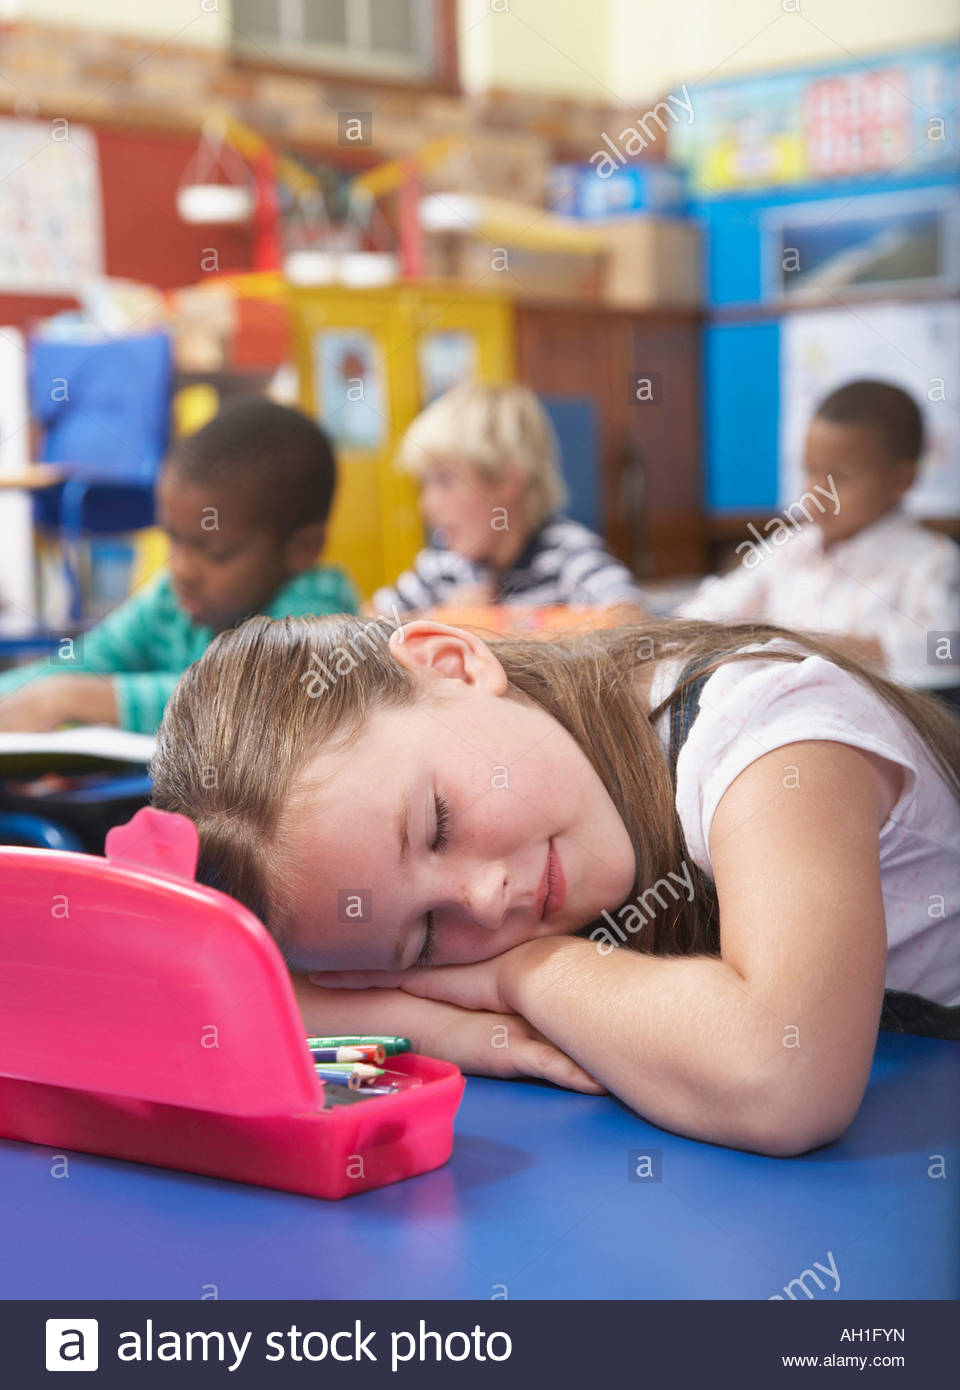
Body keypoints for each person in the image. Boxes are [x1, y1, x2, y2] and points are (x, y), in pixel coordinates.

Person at [151, 610, 960, 1157]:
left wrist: (518, 974)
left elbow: (785, 1076)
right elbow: (246, 994)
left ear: (453, 665)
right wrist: (456, 1030)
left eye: (438, 823)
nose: (482, 899)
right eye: (424, 938)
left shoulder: (768, 734)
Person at [0, 399, 358, 733]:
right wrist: (32, 693)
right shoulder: (171, 601)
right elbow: (79, 664)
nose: (183, 569)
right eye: (173, 538)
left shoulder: (320, 608)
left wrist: (69, 699)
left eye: (216, 552)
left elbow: (258, 700)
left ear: (302, 548)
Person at [679, 380, 960, 690]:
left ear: (901, 480)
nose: (815, 491)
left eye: (840, 478)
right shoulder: (790, 545)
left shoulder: (931, 560)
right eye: (810, 470)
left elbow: (942, 652)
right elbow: (707, 610)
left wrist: (800, 643)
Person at [369, 383, 645, 615]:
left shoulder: (566, 554)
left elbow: (629, 615)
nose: (426, 505)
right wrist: (444, 618)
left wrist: (501, 623)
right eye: (423, 485)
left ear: (507, 480)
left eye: (445, 482)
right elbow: (370, 620)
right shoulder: (443, 563)